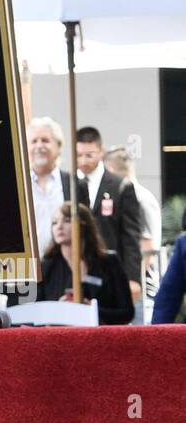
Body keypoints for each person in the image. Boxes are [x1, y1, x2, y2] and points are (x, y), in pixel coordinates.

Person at [75, 126, 143, 302]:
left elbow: (131, 236)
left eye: (89, 154)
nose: (83, 160)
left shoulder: (121, 186)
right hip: (77, 271)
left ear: (101, 152)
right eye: (78, 154)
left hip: (112, 270)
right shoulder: (68, 183)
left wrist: (133, 278)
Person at [38, 202, 134, 325]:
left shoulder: (109, 263)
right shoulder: (45, 267)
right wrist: (59, 310)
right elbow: (36, 312)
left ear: (83, 225)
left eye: (67, 220)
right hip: (59, 339)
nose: (59, 226)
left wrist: (91, 311)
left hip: (101, 337)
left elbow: (127, 312)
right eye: (54, 222)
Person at [104, 145, 162, 322]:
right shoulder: (142, 195)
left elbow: (146, 248)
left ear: (112, 170)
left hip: (138, 292)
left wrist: (129, 284)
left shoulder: (137, 197)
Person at [27, 117, 67, 258]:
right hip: (27, 265)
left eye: (45, 140)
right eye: (34, 141)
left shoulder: (74, 184)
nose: (39, 146)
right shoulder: (18, 186)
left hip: (64, 266)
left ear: (58, 146)